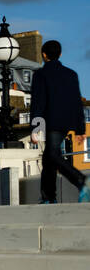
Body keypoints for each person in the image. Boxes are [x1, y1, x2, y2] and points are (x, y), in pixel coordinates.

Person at [31, 40, 90, 204]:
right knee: (48, 158)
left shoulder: (40, 75)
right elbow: (77, 102)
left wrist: (36, 128)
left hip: (52, 122)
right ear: (60, 54)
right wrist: (80, 129)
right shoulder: (72, 74)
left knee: (52, 154)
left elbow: (38, 103)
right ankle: (49, 197)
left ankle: (81, 181)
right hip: (67, 121)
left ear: (44, 55)